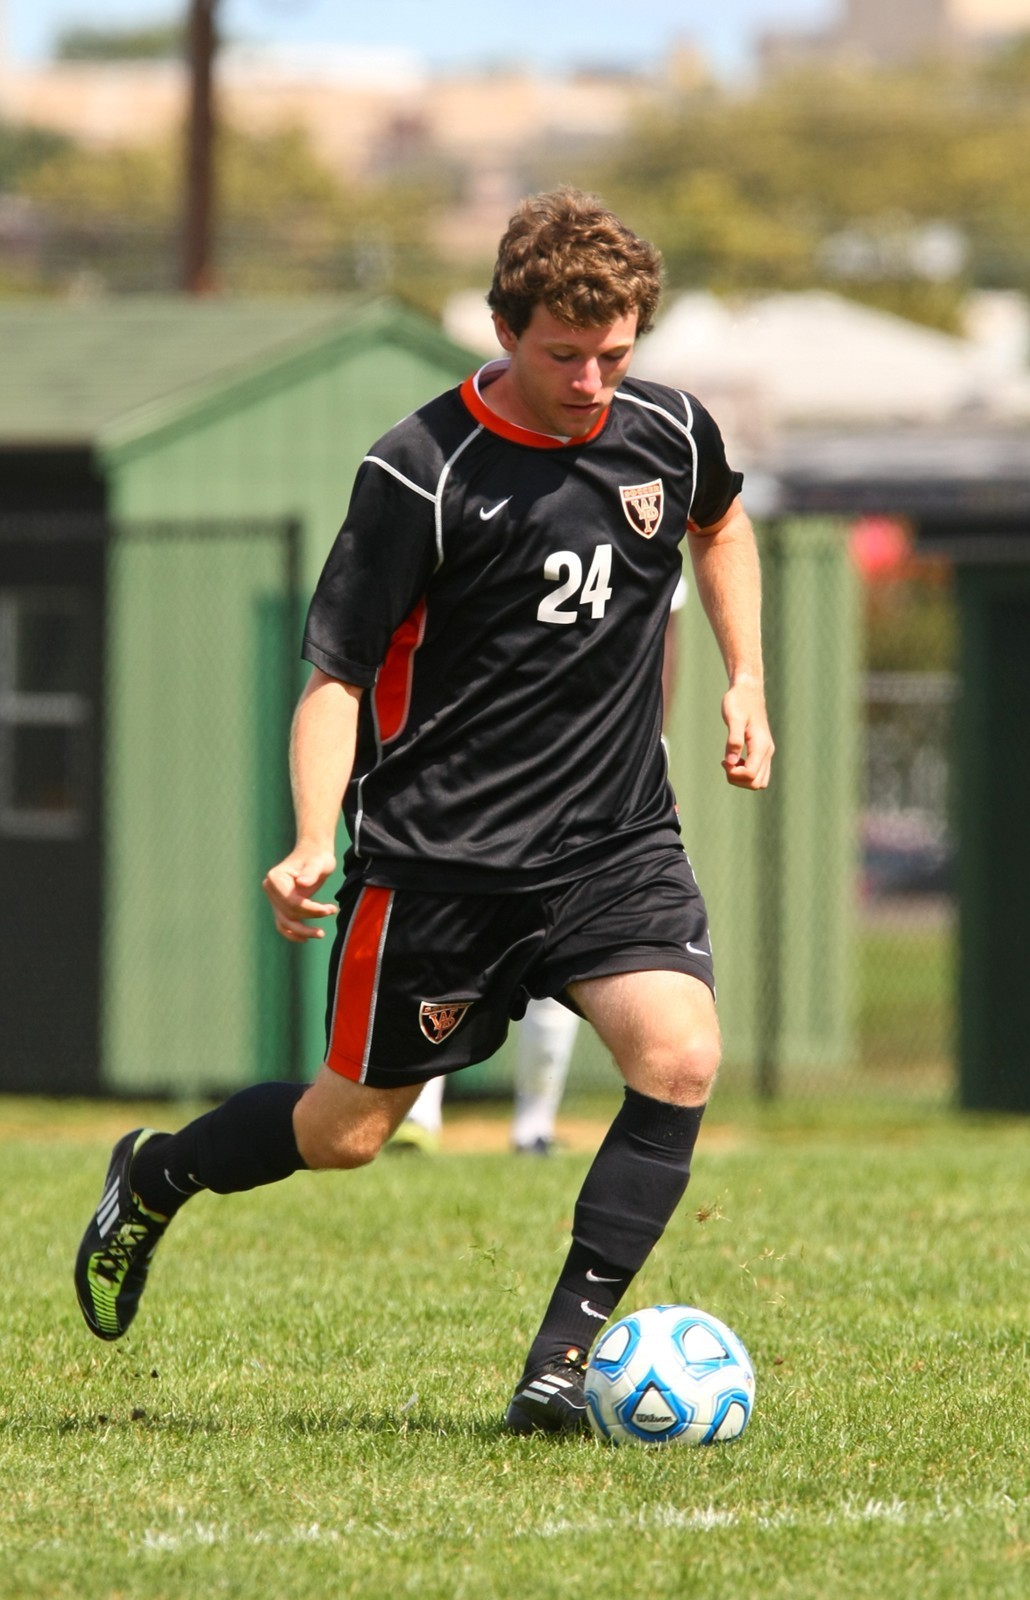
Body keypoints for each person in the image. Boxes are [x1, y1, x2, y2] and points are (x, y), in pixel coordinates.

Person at [74, 186, 774, 1437]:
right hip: (443, 860)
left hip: (614, 840)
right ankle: (158, 1171)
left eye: (614, 353)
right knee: (346, 1133)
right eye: (563, 355)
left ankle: (555, 1369)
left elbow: (720, 522)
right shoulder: (420, 471)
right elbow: (335, 675)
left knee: (678, 1056)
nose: (590, 380)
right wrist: (309, 836)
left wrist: (748, 681)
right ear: (505, 328)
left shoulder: (665, 431)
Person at [392, 586, 687, 1156]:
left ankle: (533, 1125)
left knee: (569, 935)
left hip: (600, 766)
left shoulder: (655, 503)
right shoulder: (484, 509)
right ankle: (418, 1113)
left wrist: (650, 744)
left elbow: (664, 638)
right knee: (458, 928)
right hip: (494, 757)